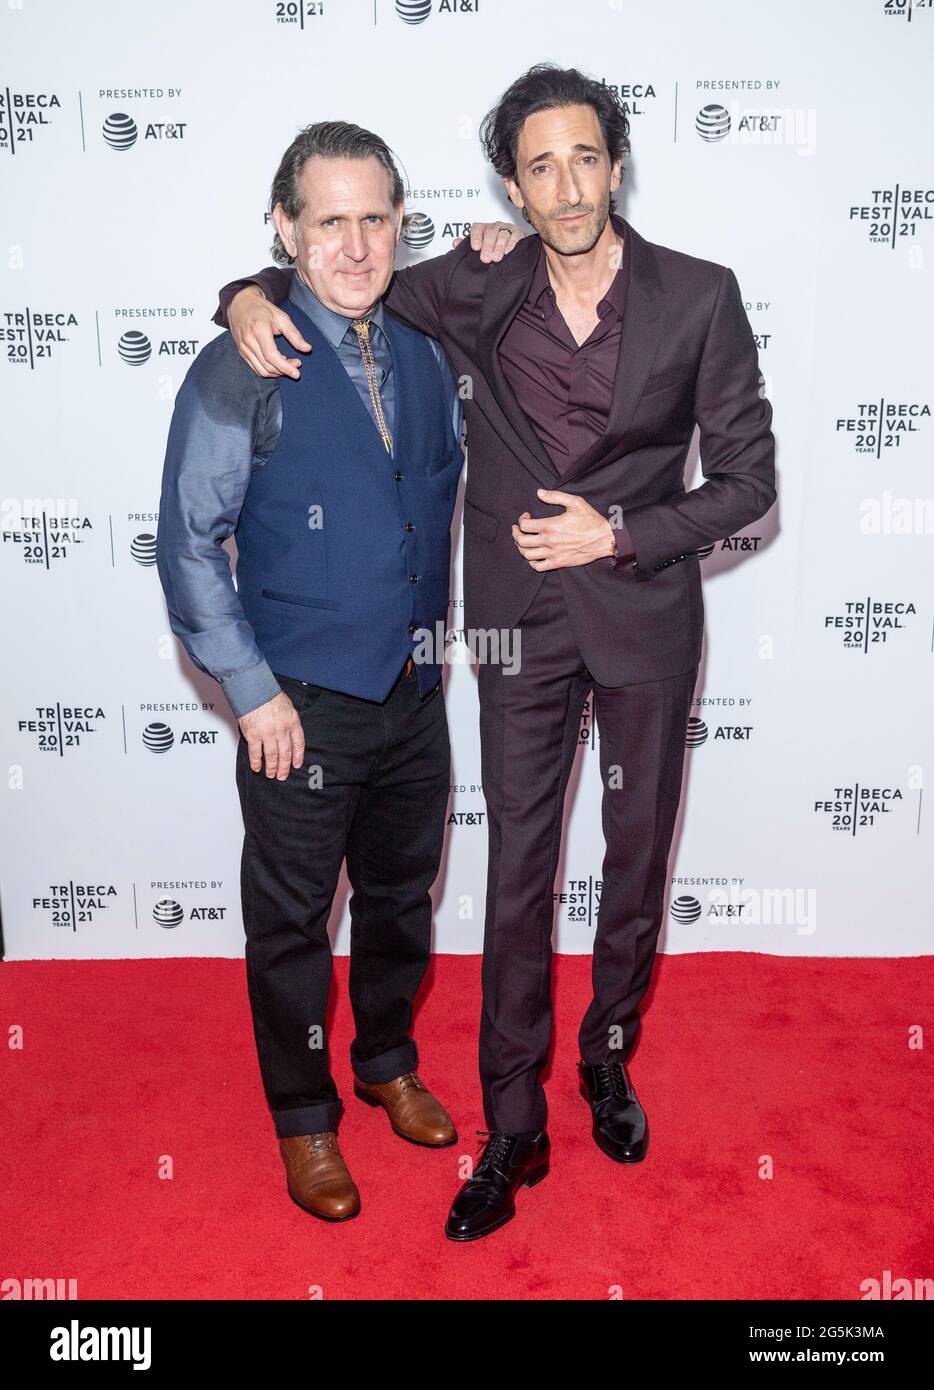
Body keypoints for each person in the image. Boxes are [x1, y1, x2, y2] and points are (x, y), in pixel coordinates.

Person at [213, 65, 777, 1242]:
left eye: (584, 158)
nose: (565, 186)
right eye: (538, 166)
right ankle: (510, 1123)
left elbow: (748, 484)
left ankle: (607, 1057)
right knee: (517, 871)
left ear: (617, 165)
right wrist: (244, 292)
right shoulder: (473, 288)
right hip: (519, 625)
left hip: (648, 622)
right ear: (510, 188)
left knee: (633, 867)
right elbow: (338, 272)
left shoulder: (700, 297)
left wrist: (618, 529)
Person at [156, 120, 518, 1223]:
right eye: (329, 222)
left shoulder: (419, 346)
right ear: (285, 229)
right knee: (294, 923)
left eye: (375, 220)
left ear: (399, 224)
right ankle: (306, 1117)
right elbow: (185, 540)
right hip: (299, 705)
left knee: (403, 898)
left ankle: (387, 1059)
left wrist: (499, 244)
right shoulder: (241, 360)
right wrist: (250, 688)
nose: (356, 246)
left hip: (414, 689)